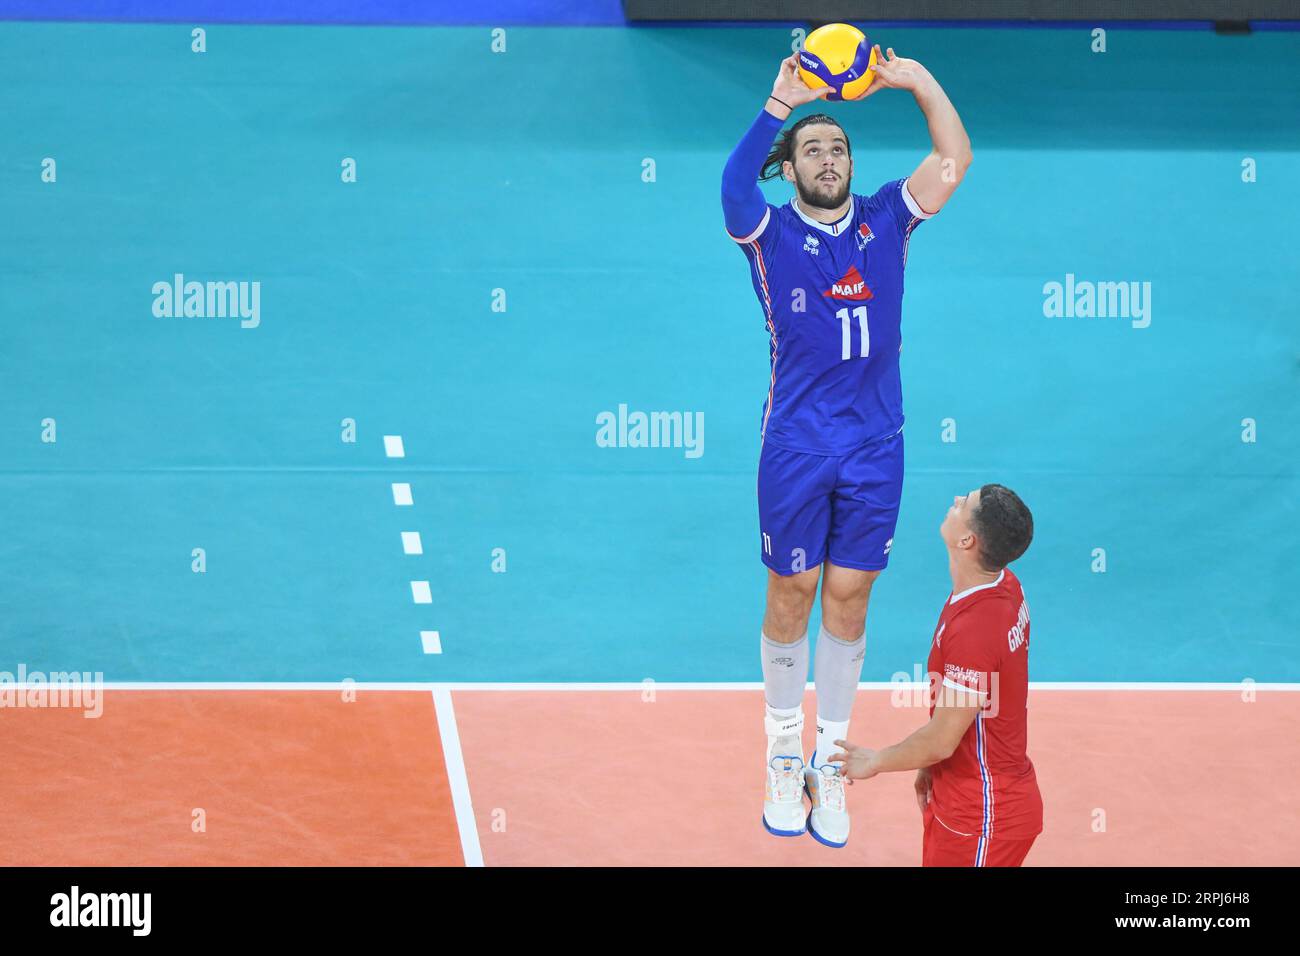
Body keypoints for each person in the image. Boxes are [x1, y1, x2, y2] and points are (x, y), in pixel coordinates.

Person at [720, 46, 973, 846]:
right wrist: (777, 102)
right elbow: (729, 188)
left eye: (838, 148)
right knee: (790, 597)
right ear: (788, 168)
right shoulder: (768, 234)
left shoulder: (887, 218)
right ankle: (781, 751)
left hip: (875, 449)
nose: (828, 158)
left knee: (851, 601)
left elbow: (954, 159)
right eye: (811, 150)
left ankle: (829, 759)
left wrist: (919, 80)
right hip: (795, 447)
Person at [831, 485, 1043, 866]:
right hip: (967, 798)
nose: (957, 499)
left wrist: (876, 761)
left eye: (966, 502)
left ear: (968, 540)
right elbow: (974, 706)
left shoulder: (975, 628)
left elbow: (943, 738)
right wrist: (932, 765)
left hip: (981, 816)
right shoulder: (1001, 585)